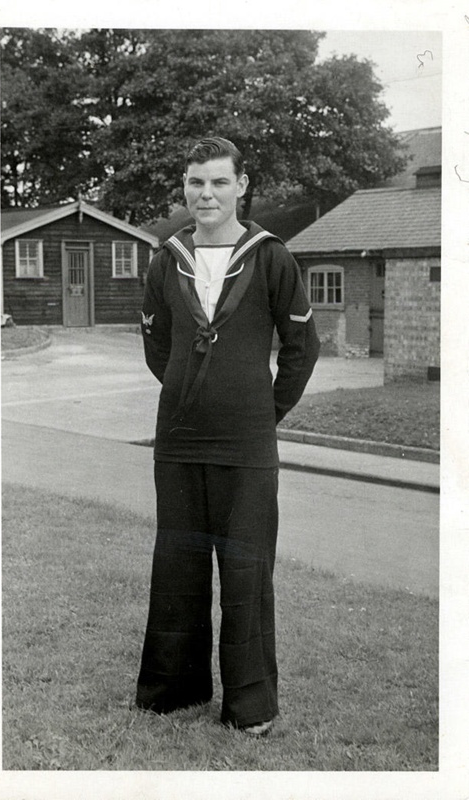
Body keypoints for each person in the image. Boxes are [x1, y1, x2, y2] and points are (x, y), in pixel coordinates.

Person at [134, 136, 320, 736]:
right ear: (184, 188)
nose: (205, 194)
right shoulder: (168, 258)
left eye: (217, 182)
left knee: (245, 573)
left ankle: (251, 708)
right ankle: (173, 690)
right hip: (180, 441)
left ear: (242, 186)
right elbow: (158, 346)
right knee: (178, 566)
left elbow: (302, 347)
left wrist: (264, 411)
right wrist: (193, 391)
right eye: (195, 182)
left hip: (247, 446)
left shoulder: (270, 256)